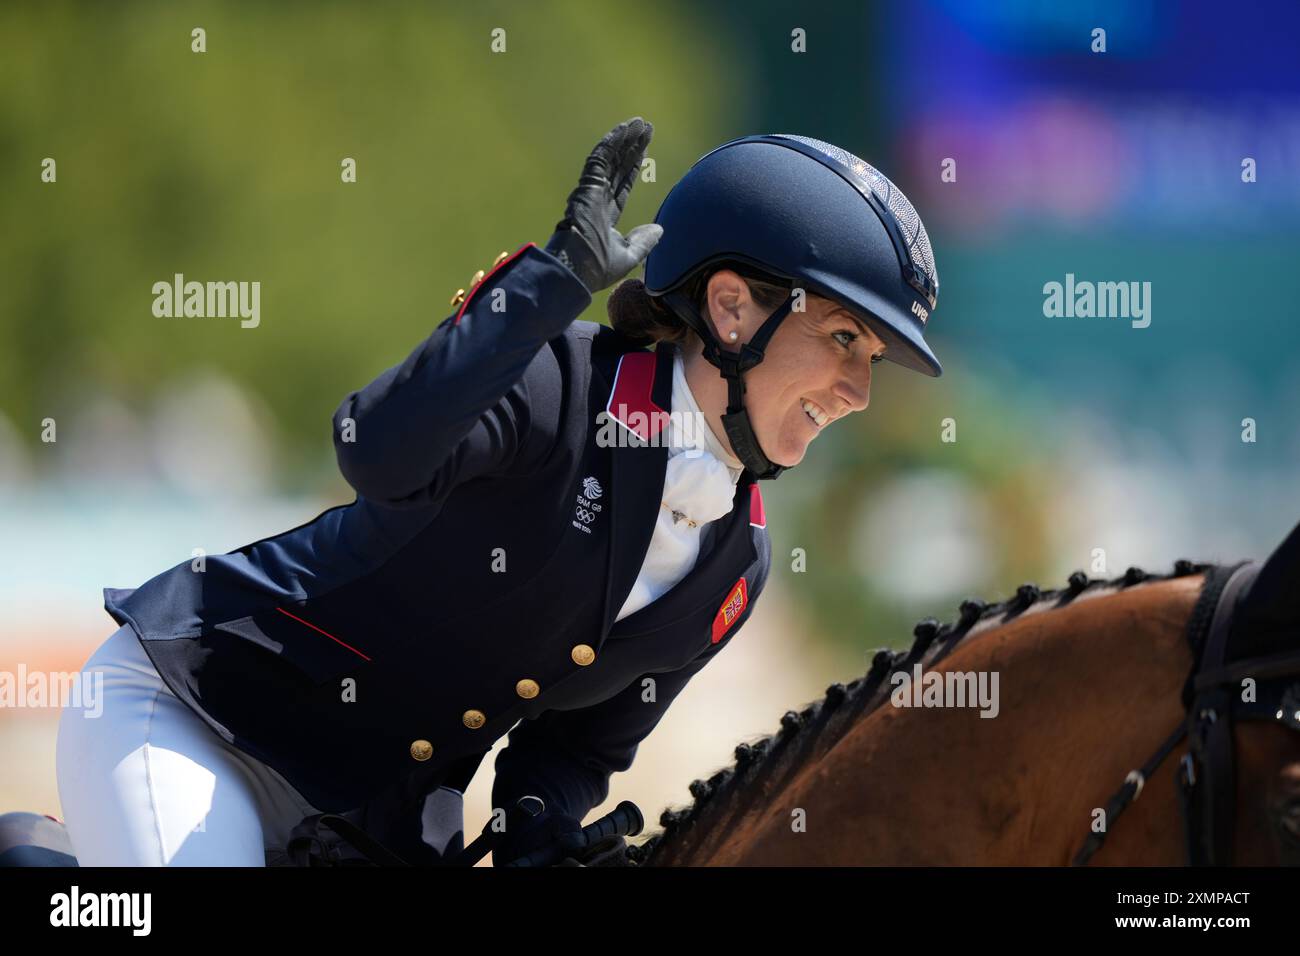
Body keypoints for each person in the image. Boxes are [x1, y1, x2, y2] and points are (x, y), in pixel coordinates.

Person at [55, 117, 942, 866]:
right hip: (201, 715)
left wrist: (537, 826)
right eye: (842, 337)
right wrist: (545, 287)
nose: (857, 391)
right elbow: (376, 451)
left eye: (868, 357)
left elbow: (577, 746)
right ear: (733, 308)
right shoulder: (557, 385)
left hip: (378, 824)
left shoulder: (734, 566)